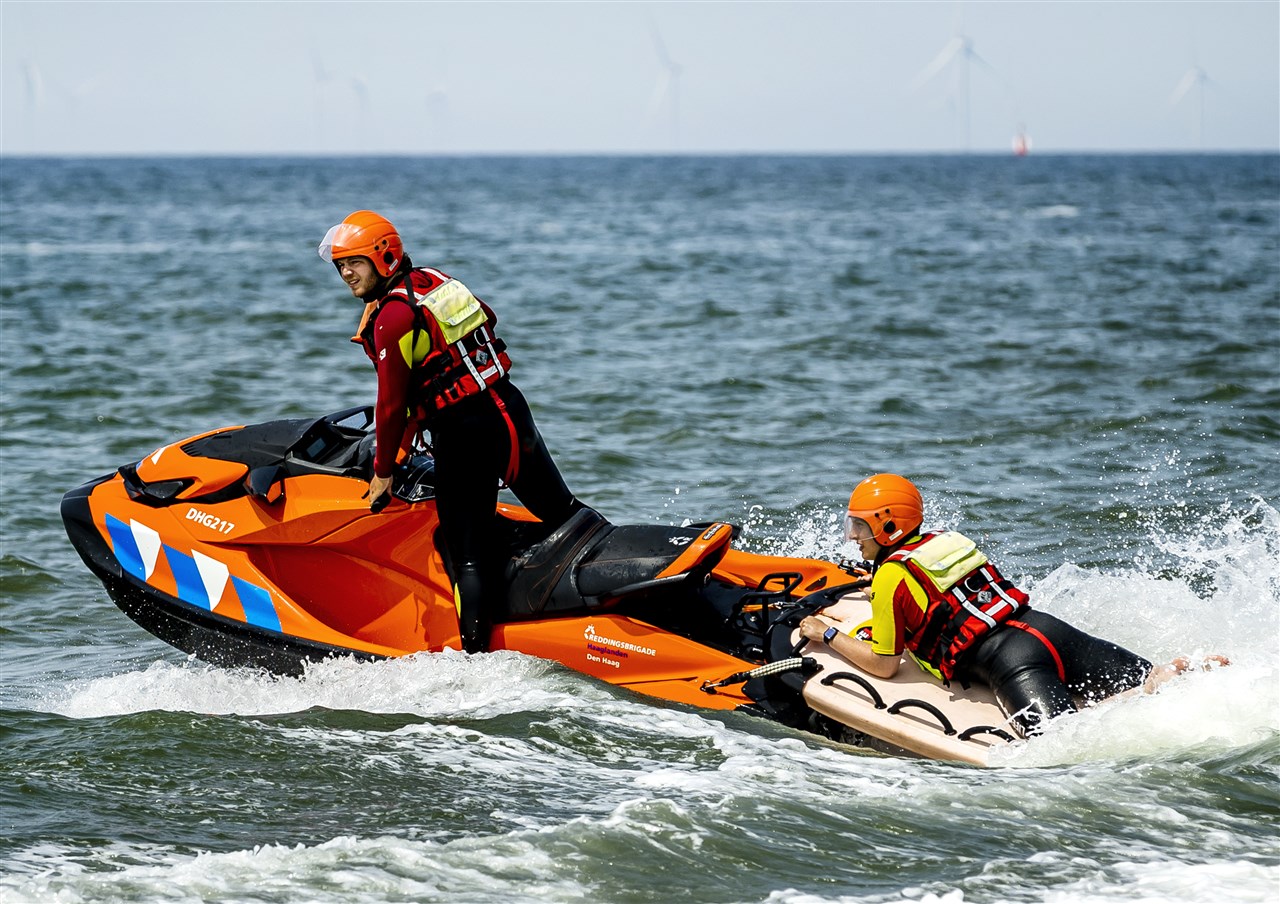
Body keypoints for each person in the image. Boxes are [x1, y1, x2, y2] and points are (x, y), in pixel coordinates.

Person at [318, 210, 584, 653]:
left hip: (463, 434)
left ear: (384, 257)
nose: (346, 273)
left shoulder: (392, 317)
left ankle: (474, 663)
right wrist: (404, 445)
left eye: (355, 262)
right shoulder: (436, 283)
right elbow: (482, 326)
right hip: (508, 411)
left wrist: (383, 471)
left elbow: (391, 404)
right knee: (565, 515)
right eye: (341, 265)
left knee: (468, 557)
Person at [799, 473, 1228, 737]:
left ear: (888, 525)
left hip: (1012, 664)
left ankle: (1141, 694)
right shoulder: (944, 542)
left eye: (859, 526)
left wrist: (828, 633)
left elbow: (884, 666)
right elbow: (946, 595)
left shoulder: (891, 577)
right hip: (1048, 630)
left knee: (1062, 741)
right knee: (1158, 681)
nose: (852, 536)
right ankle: (1180, 672)